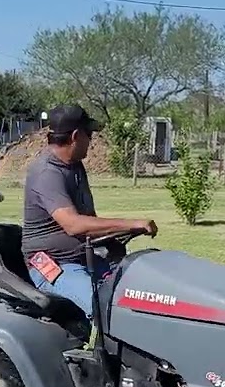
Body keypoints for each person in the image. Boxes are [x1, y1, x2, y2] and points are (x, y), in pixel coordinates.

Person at [20, 104, 158, 321]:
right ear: (75, 136)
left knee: (140, 292)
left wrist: (112, 242)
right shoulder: (47, 172)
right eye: (89, 134)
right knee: (105, 307)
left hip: (85, 256)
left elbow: (89, 220)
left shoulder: (74, 167)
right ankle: (101, 349)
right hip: (53, 264)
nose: (92, 141)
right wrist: (132, 223)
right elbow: (73, 224)